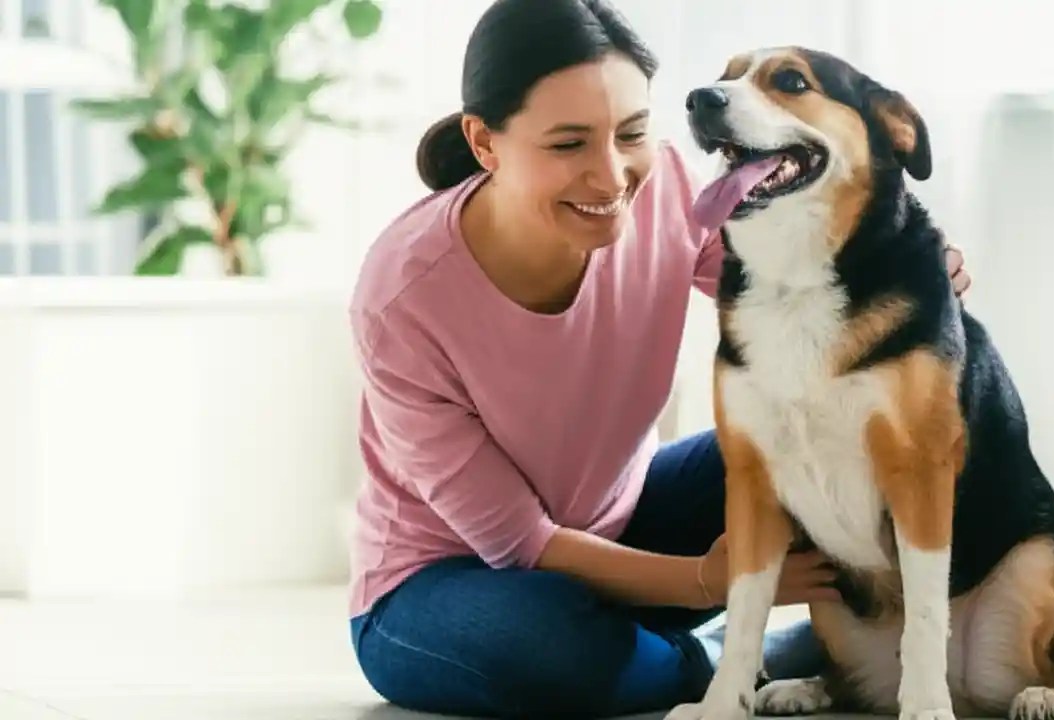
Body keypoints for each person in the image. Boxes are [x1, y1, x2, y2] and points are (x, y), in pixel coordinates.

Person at [346, 0, 972, 716]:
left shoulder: (674, 192)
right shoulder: (403, 298)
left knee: (836, 442)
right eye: (568, 144)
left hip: (628, 518)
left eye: (632, 134)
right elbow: (517, 542)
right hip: (443, 582)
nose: (611, 177)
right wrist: (705, 582)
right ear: (485, 143)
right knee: (547, 648)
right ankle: (731, 660)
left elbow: (797, 293)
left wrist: (910, 272)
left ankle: (778, 643)